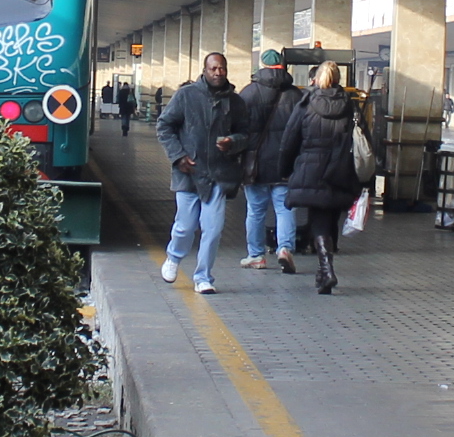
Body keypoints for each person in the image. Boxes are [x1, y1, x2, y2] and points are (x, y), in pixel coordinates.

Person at [275, 64, 374, 293]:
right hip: (341, 168)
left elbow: (290, 138)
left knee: (318, 219)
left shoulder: (306, 103)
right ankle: (323, 272)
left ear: (317, 79)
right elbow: (363, 138)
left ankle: (327, 271)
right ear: (338, 79)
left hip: (313, 168)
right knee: (329, 218)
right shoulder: (350, 106)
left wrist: (285, 168)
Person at [154, 50, 247, 292]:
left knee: (213, 229)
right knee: (185, 226)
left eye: (222, 68)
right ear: (204, 71)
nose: (218, 72)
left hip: (218, 175)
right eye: (214, 68)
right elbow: (164, 126)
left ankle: (203, 277)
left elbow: (247, 134)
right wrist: (178, 156)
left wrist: (233, 142)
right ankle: (174, 257)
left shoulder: (235, 102)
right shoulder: (186, 95)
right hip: (189, 173)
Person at [231, 51, 299, 270]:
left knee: (255, 210)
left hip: (256, 163)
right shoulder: (296, 95)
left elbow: (237, 128)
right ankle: (285, 248)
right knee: (285, 209)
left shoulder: (248, 93)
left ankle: (256, 255)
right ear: (281, 65)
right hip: (286, 163)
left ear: (262, 65)